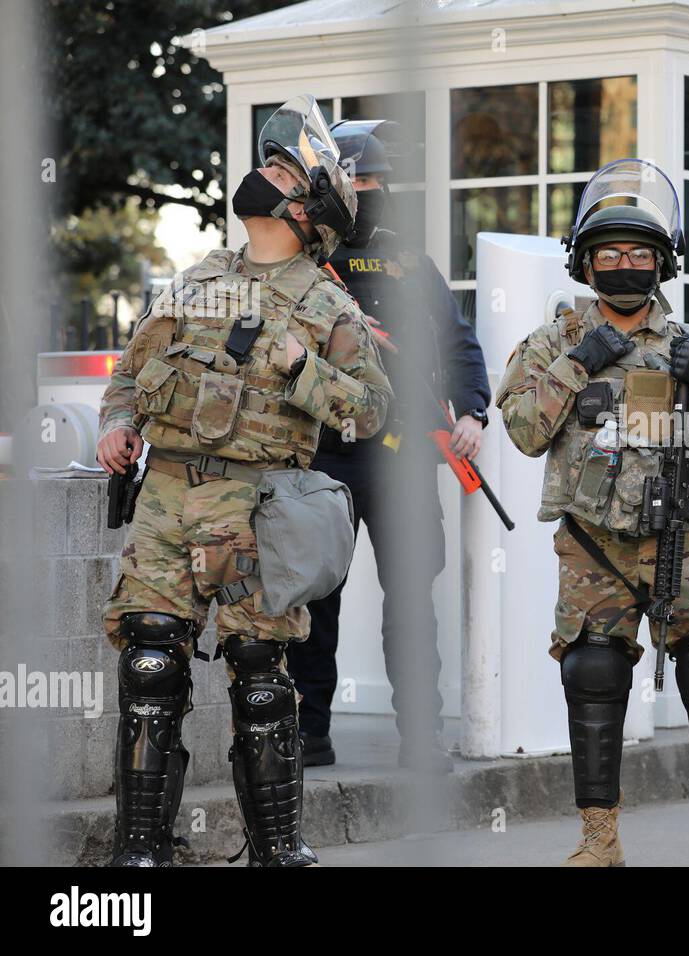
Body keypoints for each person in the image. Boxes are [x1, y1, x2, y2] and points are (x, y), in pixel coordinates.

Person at [95, 95, 392, 866]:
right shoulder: (193, 281)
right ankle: (140, 853)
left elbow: (370, 409)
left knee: (261, 677)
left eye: (281, 170)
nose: (262, 175)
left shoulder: (329, 303)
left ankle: (277, 851)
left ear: (307, 207)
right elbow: (128, 373)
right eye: (267, 162)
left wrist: (304, 368)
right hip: (165, 496)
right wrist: (115, 425)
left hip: (259, 507)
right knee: (150, 661)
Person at [494, 159, 689, 866]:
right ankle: (600, 839)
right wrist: (579, 363)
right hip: (596, 543)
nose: (625, 265)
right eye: (610, 254)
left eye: (640, 254)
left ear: (663, 265)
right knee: (592, 673)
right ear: (585, 265)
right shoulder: (552, 344)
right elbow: (525, 432)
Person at [285, 118, 491, 771]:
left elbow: (458, 344)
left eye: (379, 179)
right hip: (321, 450)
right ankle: (308, 732)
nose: (371, 189)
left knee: (410, 602)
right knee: (315, 598)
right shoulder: (300, 266)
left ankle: (421, 739)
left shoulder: (412, 262)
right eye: (359, 179)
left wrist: (475, 412)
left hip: (400, 455)